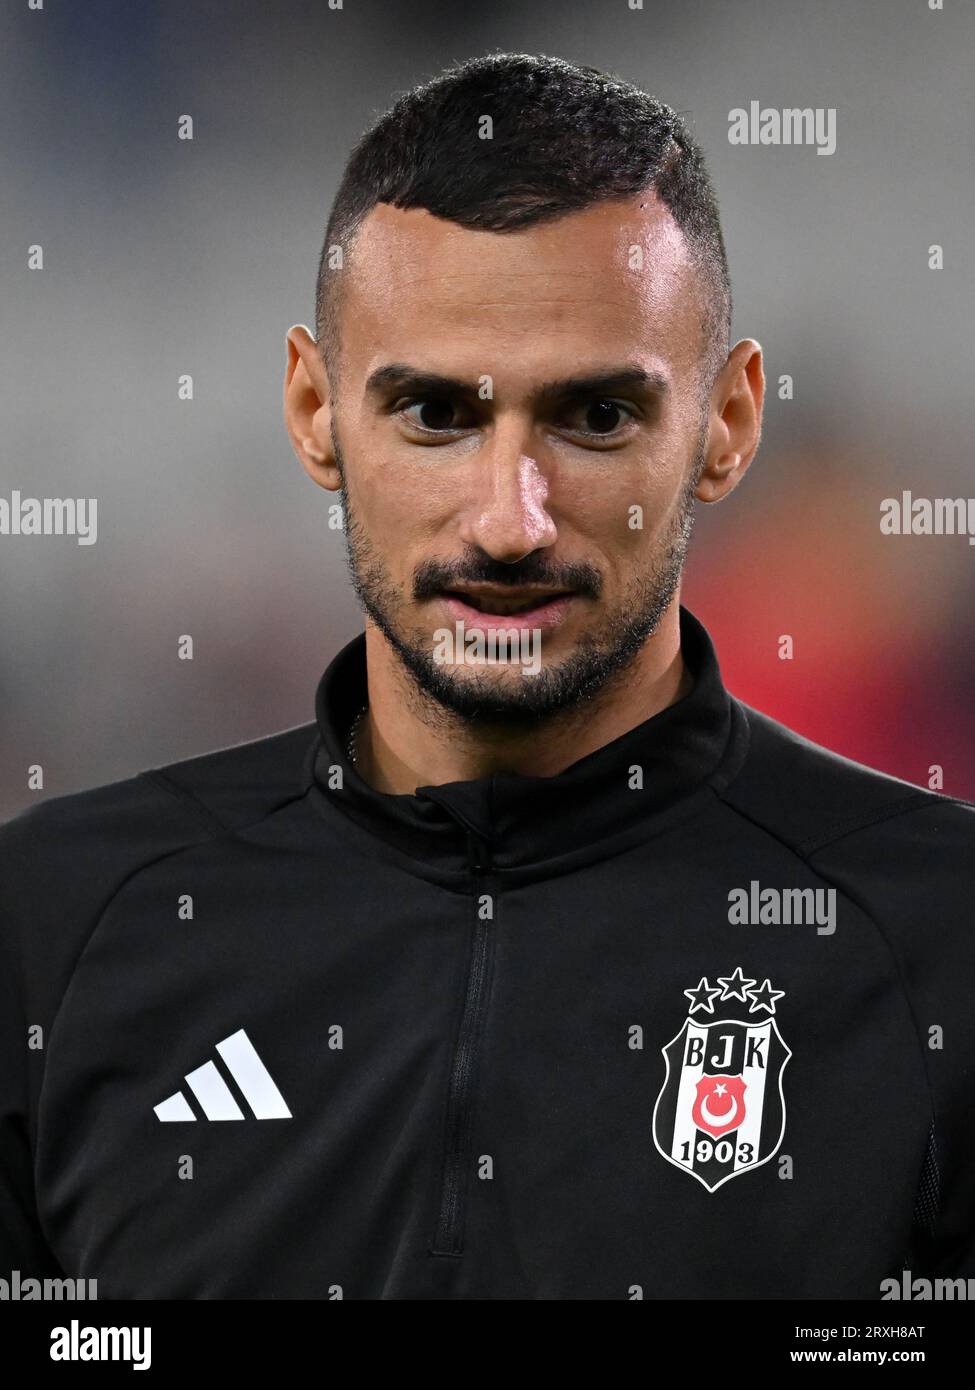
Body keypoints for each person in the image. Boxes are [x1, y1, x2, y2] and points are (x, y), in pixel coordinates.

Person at [1, 52, 972, 1301]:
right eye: (436, 417)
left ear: (727, 426)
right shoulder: (57, 928)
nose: (511, 521)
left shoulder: (941, 942)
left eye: (598, 418)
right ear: (312, 412)